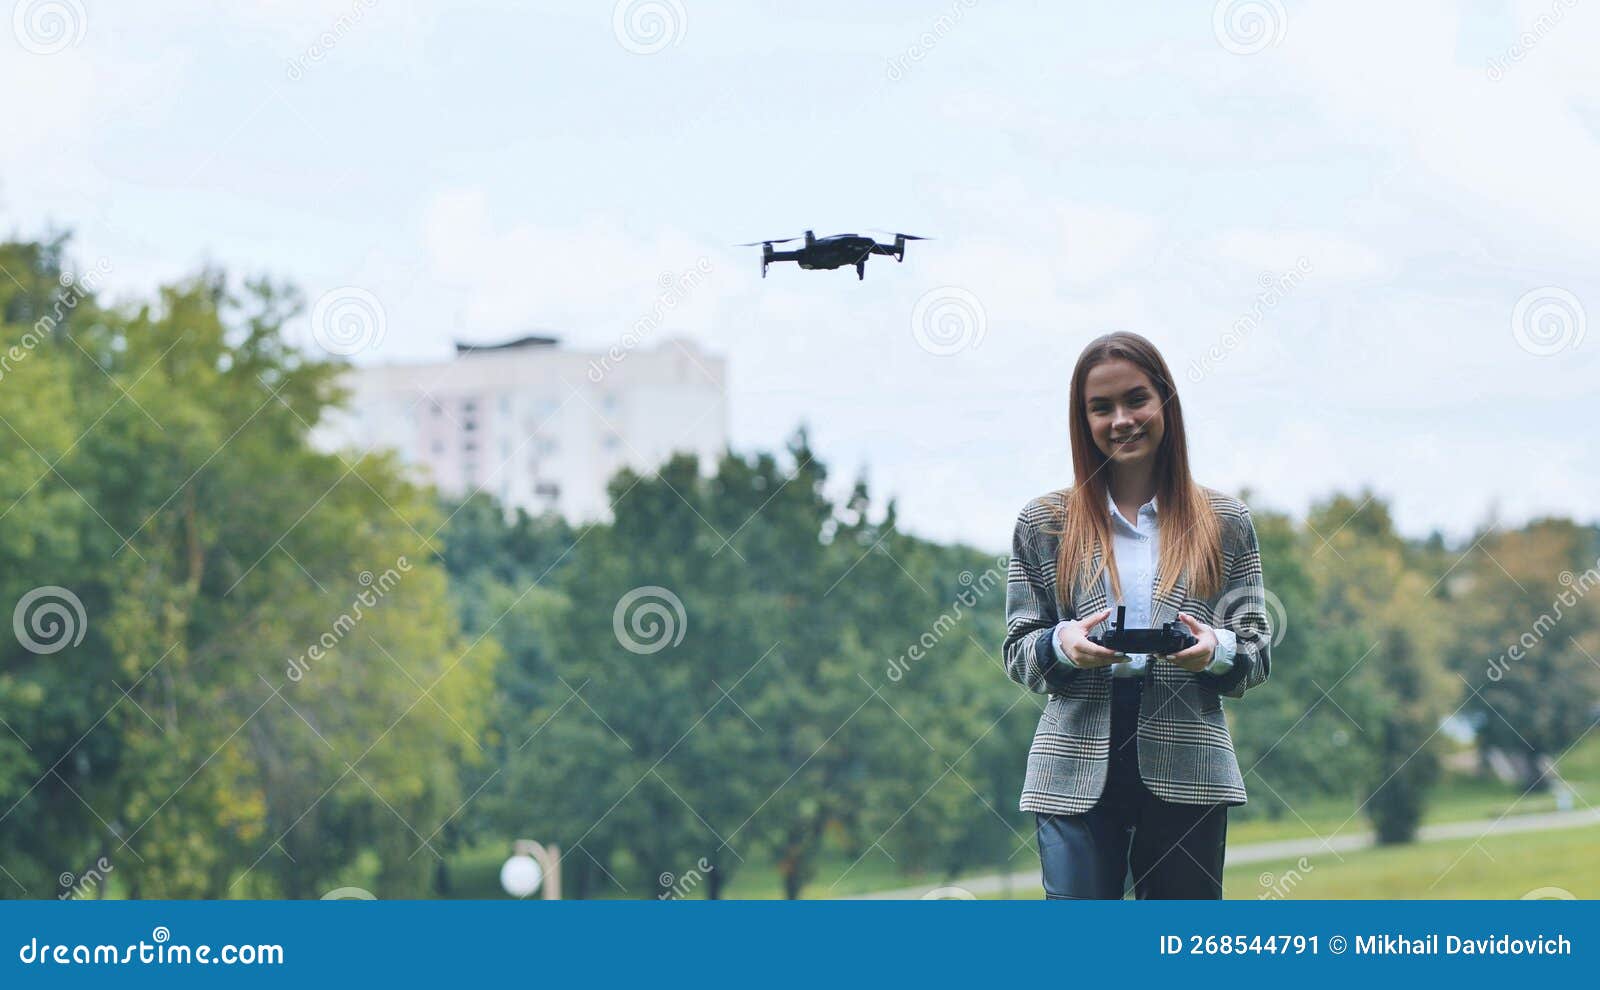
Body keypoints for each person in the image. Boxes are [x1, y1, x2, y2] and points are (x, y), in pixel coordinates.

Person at [1002, 331, 1271, 899]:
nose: (1121, 420)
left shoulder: (1225, 521)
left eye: (1136, 399)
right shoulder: (1043, 522)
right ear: (1083, 420)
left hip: (1189, 759)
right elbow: (1018, 649)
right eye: (1101, 407)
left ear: (1165, 403)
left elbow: (1255, 649)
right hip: (1072, 765)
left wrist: (1214, 651)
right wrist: (1062, 644)